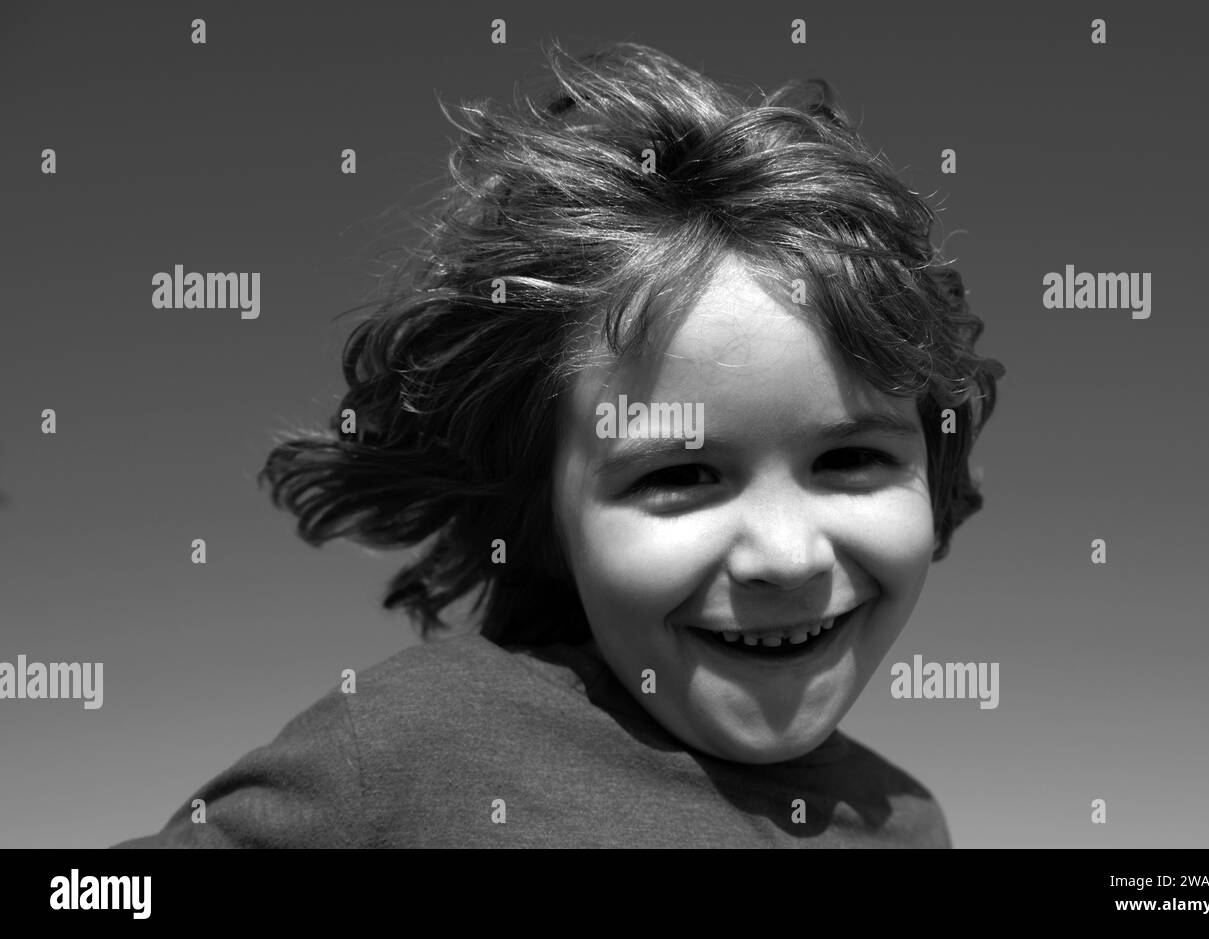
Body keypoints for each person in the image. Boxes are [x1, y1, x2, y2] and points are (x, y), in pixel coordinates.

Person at [114, 39, 1004, 848]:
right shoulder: (412, 749)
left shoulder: (908, 823)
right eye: (682, 474)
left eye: (850, 461)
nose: (785, 554)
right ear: (547, 515)